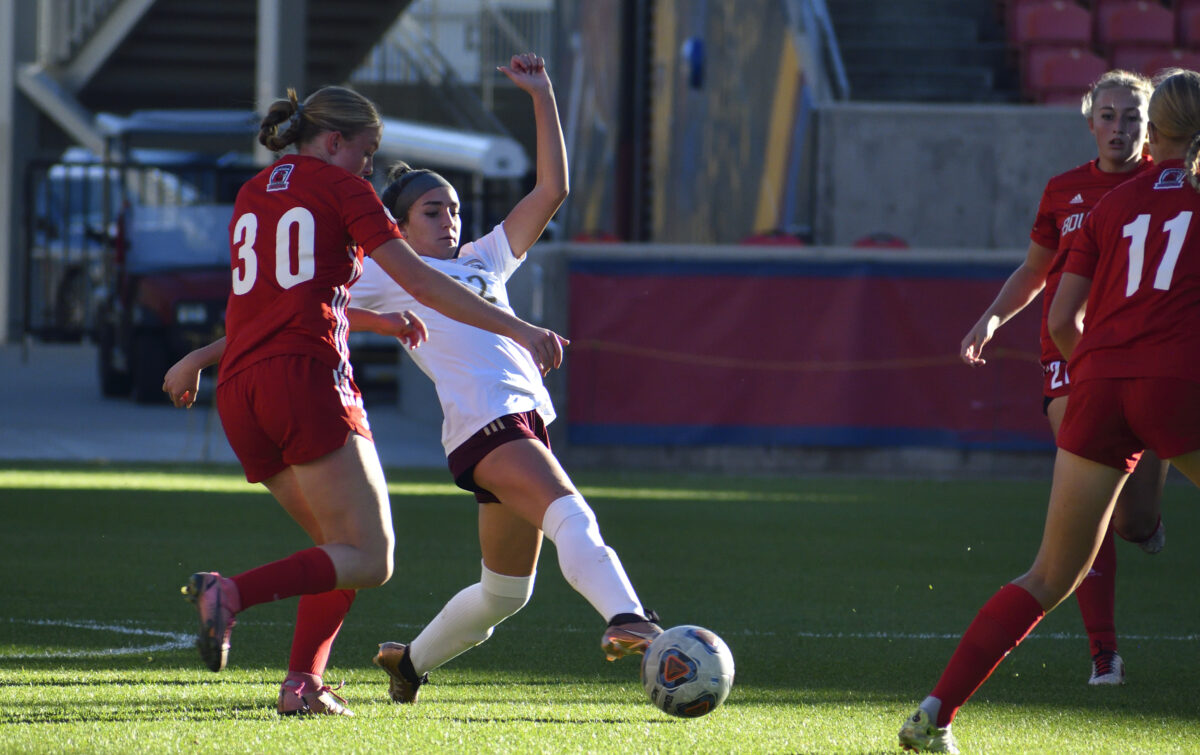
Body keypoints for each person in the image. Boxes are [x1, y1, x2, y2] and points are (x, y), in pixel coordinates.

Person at [165, 81, 566, 717]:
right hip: (305, 380)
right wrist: (518, 326)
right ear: (334, 140)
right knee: (369, 557)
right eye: (367, 150)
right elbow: (420, 283)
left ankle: (303, 684)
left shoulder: (251, 192)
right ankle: (229, 593)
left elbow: (282, 300)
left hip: (241, 389)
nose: (370, 168)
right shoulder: (341, 186)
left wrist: (194, 357)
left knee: (336, 548)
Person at [900, 67, 1200, 754]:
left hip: (1096, 387)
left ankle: (934, 715)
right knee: (1136, 521)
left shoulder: (1109, 203)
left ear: (1154, 129)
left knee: (1047, 574)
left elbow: (1064, 317)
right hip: (1176, 384)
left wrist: (1101, 370)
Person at [350, 52, 661, 703]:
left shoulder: (481, 258)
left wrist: (542, 94)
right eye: (432, 211)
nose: (449, 220)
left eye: (454, 209)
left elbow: (552, 191)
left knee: (505, 593)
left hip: (518, 422)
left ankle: (408, 664)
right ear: (399, 226)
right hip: (488, 422)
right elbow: (322, 300)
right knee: (571, 514)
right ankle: (627, 615)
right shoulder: (387, 270)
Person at [959, 69, 1167, 688]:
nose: (1119, 127)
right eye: (1108, 115)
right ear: (1089, 120)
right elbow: (1034, 270)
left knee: (1130, 520)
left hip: (1144, 358)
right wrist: (991, 318)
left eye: (1131, 116)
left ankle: (1149, 520)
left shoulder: (1171, 183)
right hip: (1071, 356)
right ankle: (1104, 652)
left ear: (1149, 124)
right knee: (1083, 498)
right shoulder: (1064, 191)